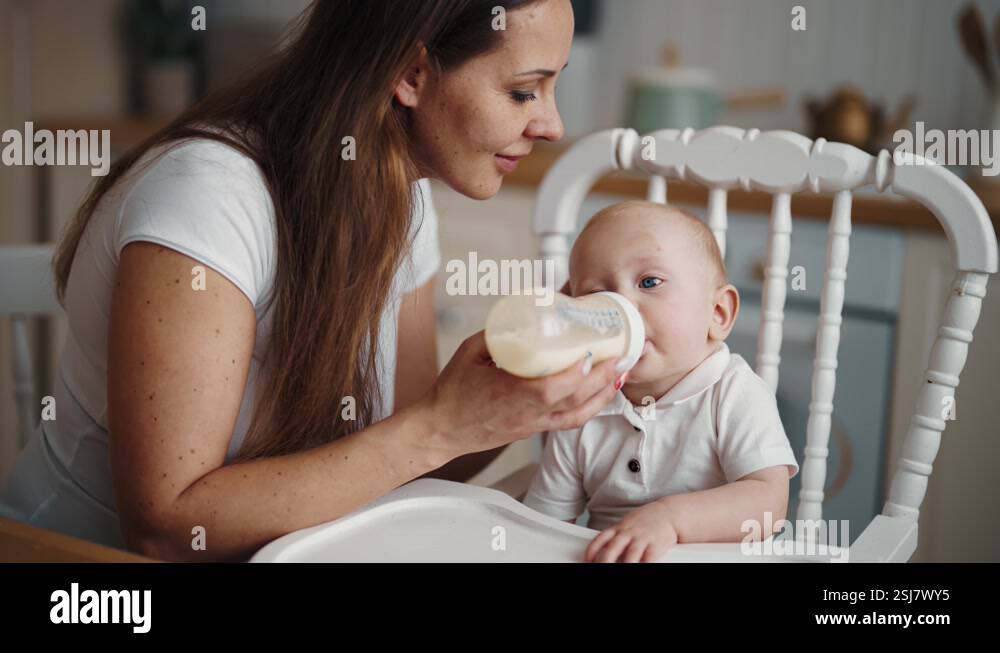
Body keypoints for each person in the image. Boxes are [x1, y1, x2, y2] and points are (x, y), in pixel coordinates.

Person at [1, 0, 624, 562]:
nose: (552, 126)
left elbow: (402, 458)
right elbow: (168, 526)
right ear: (411, 75)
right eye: (523, 92)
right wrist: (442, 425)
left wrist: (525, 397)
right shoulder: (207, 199)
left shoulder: (401, 195)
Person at [523, 201, 799, 562]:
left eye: (649, 282)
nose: (622, 308)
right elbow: (543, 526)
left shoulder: (733, 392)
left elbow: (769, 506)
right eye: (596, 296)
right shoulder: (582, 404)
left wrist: (671, 519)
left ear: (718, 313)